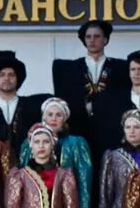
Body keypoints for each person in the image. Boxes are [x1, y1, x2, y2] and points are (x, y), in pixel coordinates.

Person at [51, 18, 123, 149]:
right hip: (79, 130)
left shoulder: (119, 67)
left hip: (110, 132)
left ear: (105, 40)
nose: (92, 40)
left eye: (97, 36)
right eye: (88, 37)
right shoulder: (71, 68)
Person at [0, 54, 43, 154]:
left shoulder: (31, 106)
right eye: (2, 75)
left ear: (17, 79)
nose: (7, 78)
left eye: (11, 75)